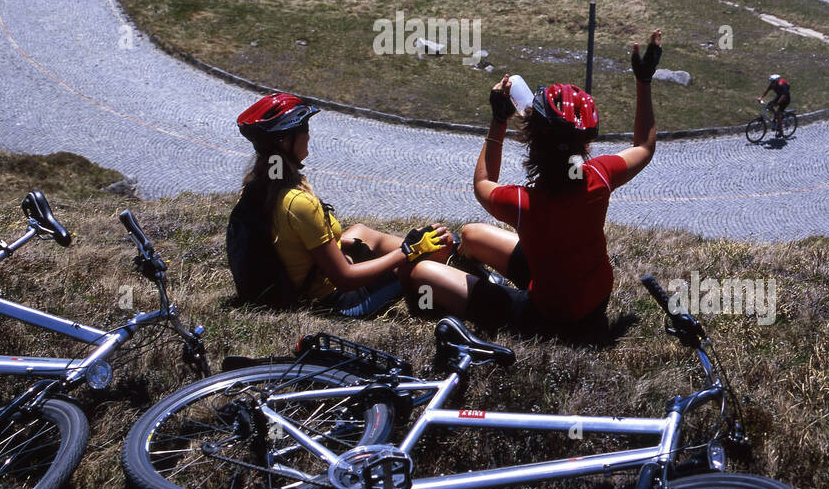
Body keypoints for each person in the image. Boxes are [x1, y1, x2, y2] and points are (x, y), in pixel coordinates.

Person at [406, 31, 664, 341]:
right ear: (584, 143)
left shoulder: (523, 202)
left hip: (551, 317)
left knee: (421, 275)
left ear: (532, 139)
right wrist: (643, 80)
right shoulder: (600, 175)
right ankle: (483, 279)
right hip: (594, 301)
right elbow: (644, 147)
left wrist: (498, 121)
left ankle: (491, 298)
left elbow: (482, 183)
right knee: (472, 235)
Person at [230, 92, 453, 318]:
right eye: (305, 129)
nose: (309, 136)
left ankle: (438, 258)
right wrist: (407, 252)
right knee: (415, 268)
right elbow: (345, 279)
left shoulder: (258, 186)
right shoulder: (299, 203)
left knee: (361, 232)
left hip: (299, 280)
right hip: (337, 302)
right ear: (286, 142)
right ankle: (434, 294)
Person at [758, 73, 791, 138]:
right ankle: (776, 118)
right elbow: (766, 91)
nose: (771, 83)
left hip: (785, 99)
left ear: (776, 81)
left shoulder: (781, 85)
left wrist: (777, 103)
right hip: (779, 96)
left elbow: (784, 95)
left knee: (778, 113)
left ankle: (781, 132)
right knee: (769, 106)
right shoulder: (772, 84)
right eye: (771, 81)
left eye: (772, 81)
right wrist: (761, 97)